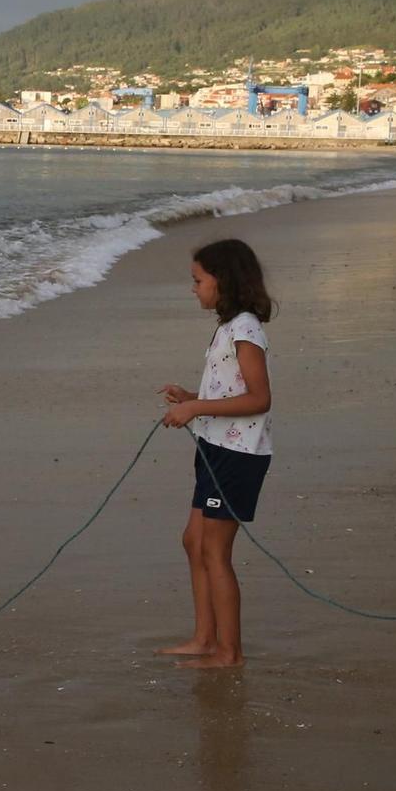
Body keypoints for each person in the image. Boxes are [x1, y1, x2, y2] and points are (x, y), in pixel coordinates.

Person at [157, 239, 275, 671]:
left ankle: (230, 652)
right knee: (193, 542)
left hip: (238, 455)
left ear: (223, 282)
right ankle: (205, 639)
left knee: (214, 552)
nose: (193, 288)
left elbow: (259, 398)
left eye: (198, 280)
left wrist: (195, 408)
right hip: (216, 446)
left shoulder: (246, 329)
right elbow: (230, 390)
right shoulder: (228, 326)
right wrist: (191, 396)